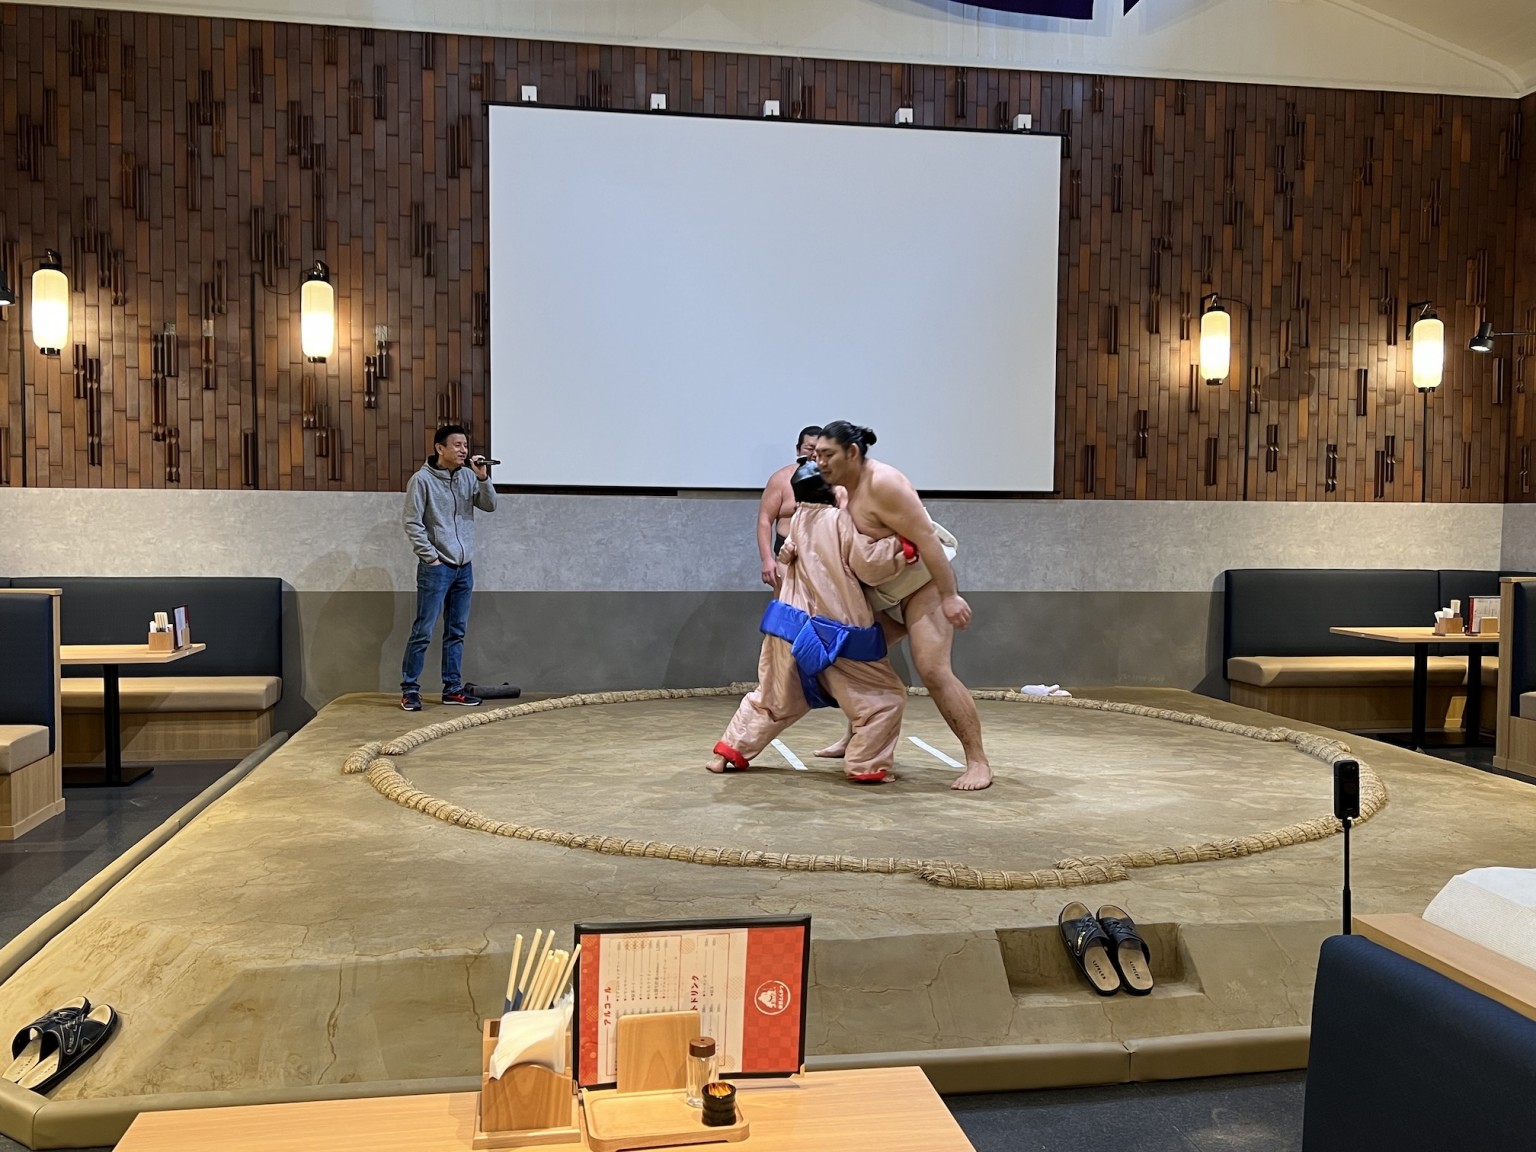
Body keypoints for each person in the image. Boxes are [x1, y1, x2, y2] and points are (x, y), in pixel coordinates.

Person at [813, 420, 993, 791]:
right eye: (817, 456)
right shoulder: (843, 489)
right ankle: (857, 736)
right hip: (880, 591)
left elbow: (927, 539)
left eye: (827, 455)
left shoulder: (885, 484)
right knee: (857, 660)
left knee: (932, 669)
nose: (821, 463)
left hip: (921, 584)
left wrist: (949, 596)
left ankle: (977, 760)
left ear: (853, 452)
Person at [709, 461, 911, 782]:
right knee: (883, 699)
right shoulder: (839, 522)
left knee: (772, 699)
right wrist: (903, 547)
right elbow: (869, 564)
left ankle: (728, 751)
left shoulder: (798, 519)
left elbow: (786, 554)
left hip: (786, 626)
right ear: (830, 489)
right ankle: (866, 765)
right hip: (834, 632)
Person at [399, 424, 498, 711]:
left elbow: (490, 505)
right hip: (436, 567)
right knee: (423, 631)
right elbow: (412, 522)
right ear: (439, 448)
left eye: (465, 445)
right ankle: (410, 689)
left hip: (463, 568)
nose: (463, 450)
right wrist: (430, 556)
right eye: (457, 445)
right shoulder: (422, 480)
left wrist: (483, 478)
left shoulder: (469, 476)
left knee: (456, 631)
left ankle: (452, 688)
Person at [756, 426, 823, 589]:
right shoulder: (781, 479)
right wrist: (766, 560)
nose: (814, 454)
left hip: (823, 557)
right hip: (786, 557)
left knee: (821, 612)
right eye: (809, 448)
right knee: (786, 608)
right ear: (798, 450)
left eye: (820, 449)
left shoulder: (837, 481)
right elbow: (765, 521)